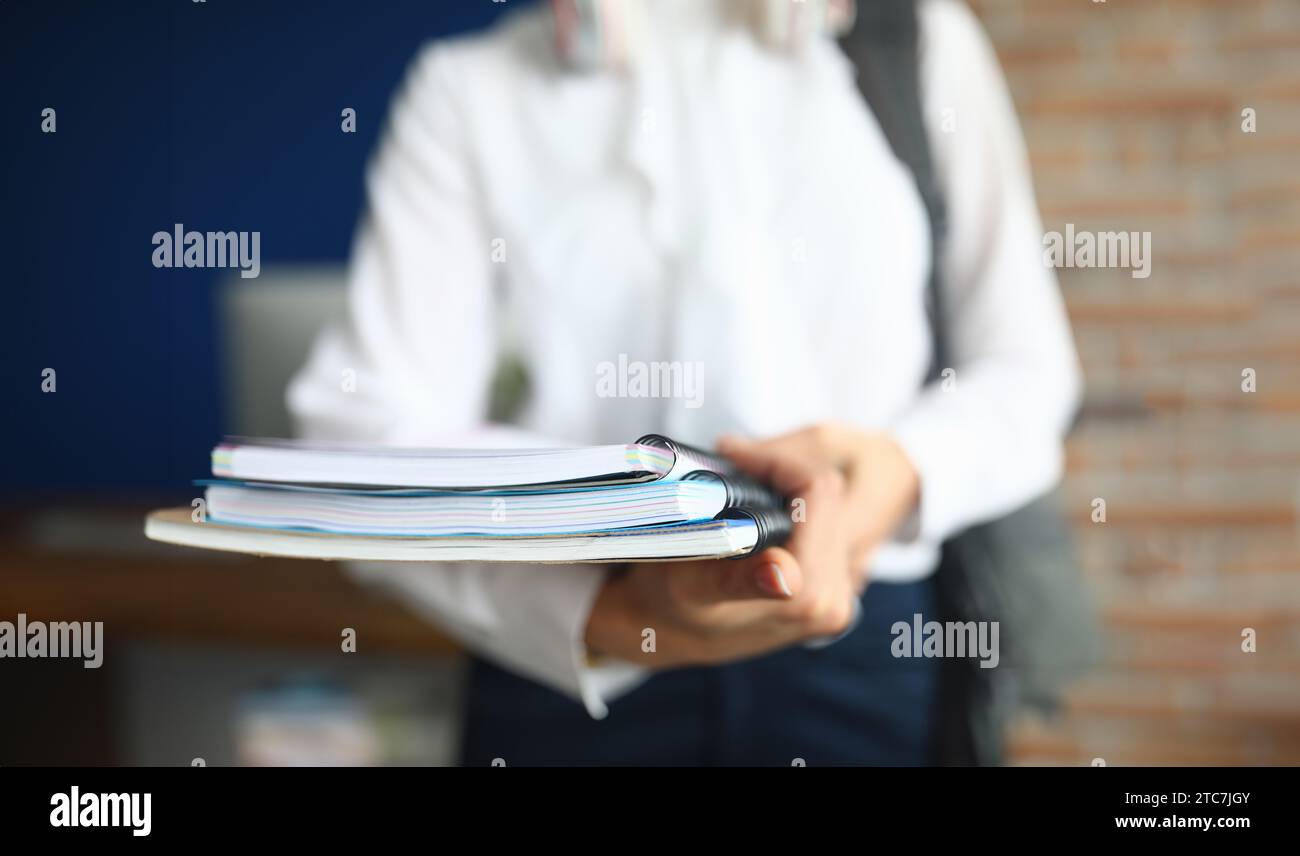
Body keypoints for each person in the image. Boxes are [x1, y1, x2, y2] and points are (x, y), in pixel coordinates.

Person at [287, 0, 1081, 766]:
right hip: (568, 653)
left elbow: (1026, 370)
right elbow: (365, 426)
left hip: (861, 647)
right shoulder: (470, 89)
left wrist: (899, 472)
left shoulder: (917, 43)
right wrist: (606, 616)